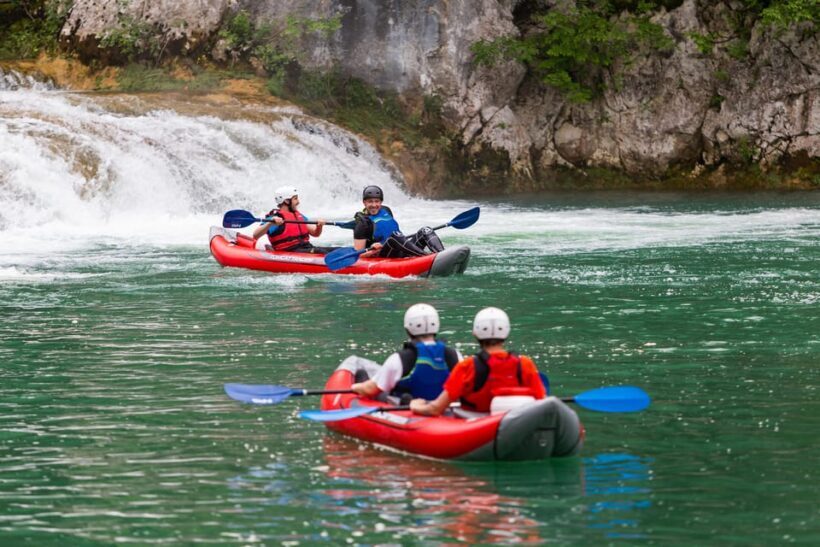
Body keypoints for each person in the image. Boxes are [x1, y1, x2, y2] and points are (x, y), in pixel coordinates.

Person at [410, 307, 547, 416]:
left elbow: (435, 409)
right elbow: (541, 400)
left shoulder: (468, 366)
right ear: (506, 333)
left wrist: (415, 406)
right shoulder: (525, 363)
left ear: (475, 333)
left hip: (475, 420)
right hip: (516, 420)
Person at [351, 303, 462, 402]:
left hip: (407, 408)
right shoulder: (454, 355)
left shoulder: (400, 359)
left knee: (361, 374)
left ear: (408, 330)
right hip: (444, 406)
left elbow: (370, 390)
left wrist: (354, 387)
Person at [353, 185, 445, 258]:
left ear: (381, 202)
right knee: (395, 236)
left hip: (403, 249)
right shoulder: (362, 224)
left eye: (377, 201)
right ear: (364, 203)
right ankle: (427, 257)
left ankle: (442, 255)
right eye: (370, 202)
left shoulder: (386, 210)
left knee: (426, 230)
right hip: (385, 254)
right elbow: (358, 255)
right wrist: (373, 250)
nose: (374, 205)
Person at [252, 186, 335, 253]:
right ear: (287, 201)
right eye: (295, 198)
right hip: (289, 251)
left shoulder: (299, 216)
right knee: (320, 251)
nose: (298, 202)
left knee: (337, 249)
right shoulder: (275, 218)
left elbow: (315, 233)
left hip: (306, 248)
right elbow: (255, 235)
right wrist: (270, 223)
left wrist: (319, 226)